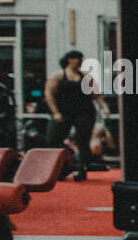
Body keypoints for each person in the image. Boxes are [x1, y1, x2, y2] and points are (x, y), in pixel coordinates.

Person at [44, 50, 109, 180]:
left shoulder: (86, 77)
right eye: (77, 59)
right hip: (64, 111)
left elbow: (96, 95)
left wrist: (105, 108)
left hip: (84, 111)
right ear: (69, 60)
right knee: (54, 139)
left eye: (81, 59)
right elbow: (49, 94)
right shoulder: (57, 76)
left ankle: (81, 169)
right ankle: (60, 168)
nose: (80, 61)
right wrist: (55, 112)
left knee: (82, 141)